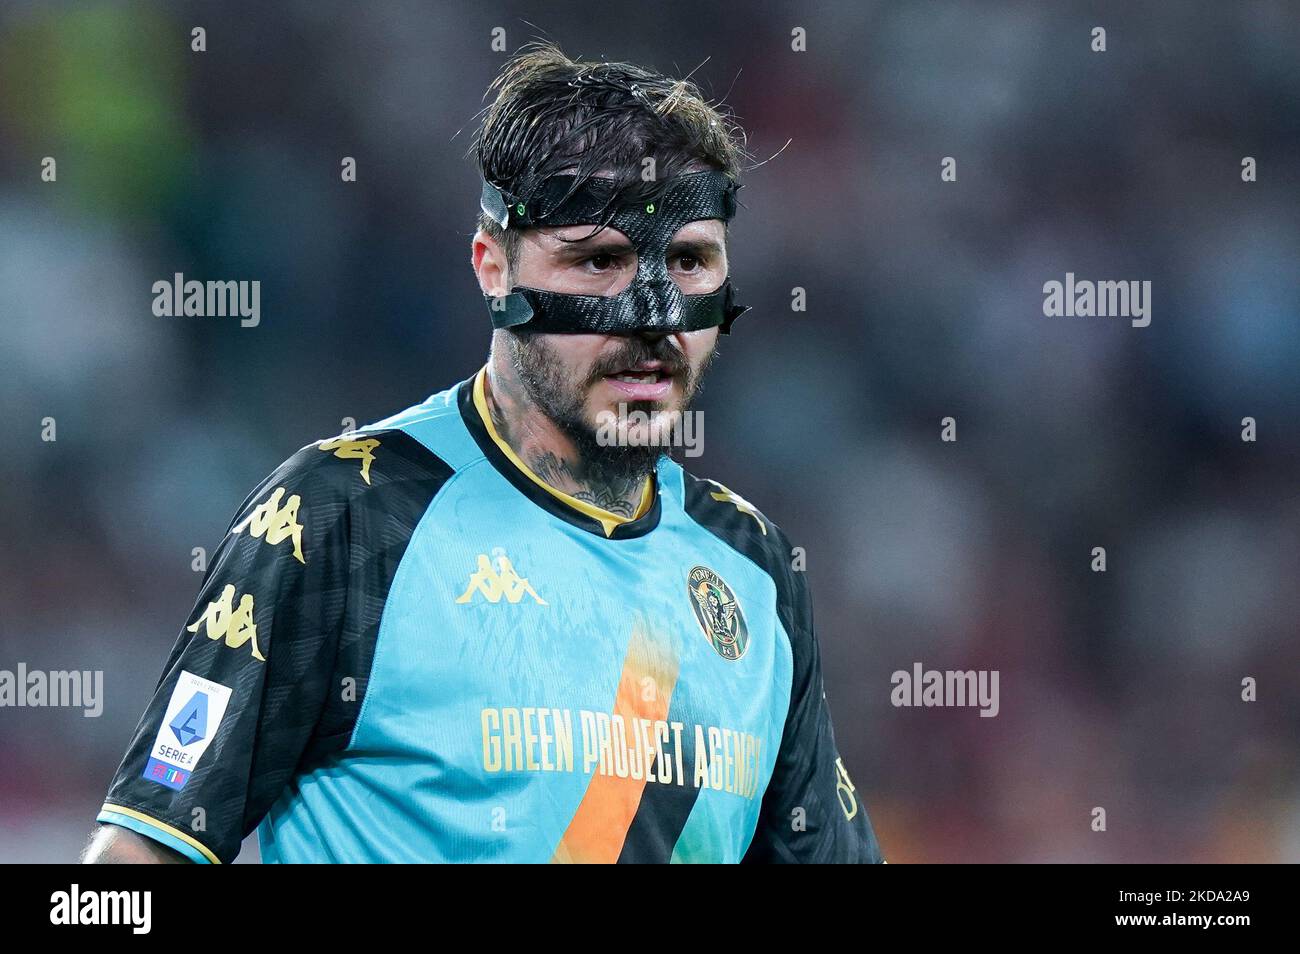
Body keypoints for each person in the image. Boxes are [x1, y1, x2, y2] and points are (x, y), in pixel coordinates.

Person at [83, 41, 884, 864]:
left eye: (688, 262)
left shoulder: (755, 571)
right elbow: (131, 869)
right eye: (599, 260)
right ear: (492, 266)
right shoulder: (344, 518)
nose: (653, 317)